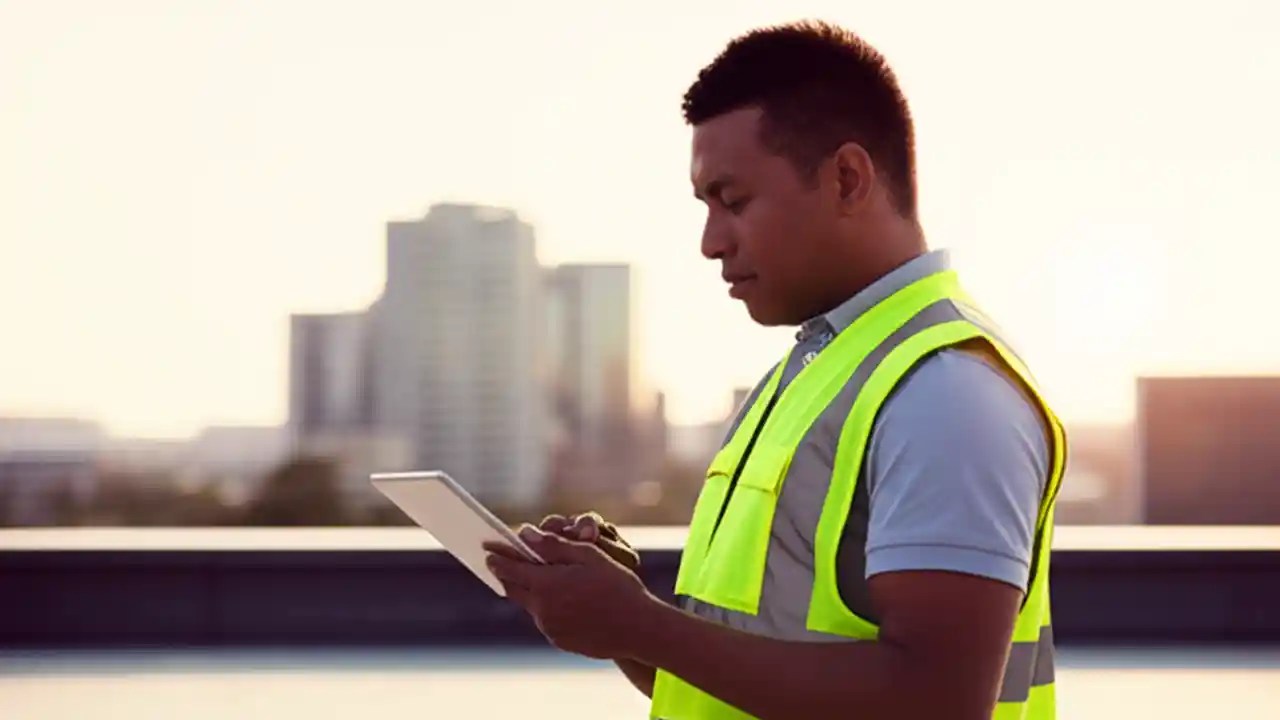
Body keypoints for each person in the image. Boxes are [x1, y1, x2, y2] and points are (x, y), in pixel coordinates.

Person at [485, 19, 1066, 720]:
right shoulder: (806, 375)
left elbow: (934, 700)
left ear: (848, 179)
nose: (709, 242)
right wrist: (620, 617)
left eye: (734, 201)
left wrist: (642, 623)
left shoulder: (947, 392)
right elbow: (743, 680)